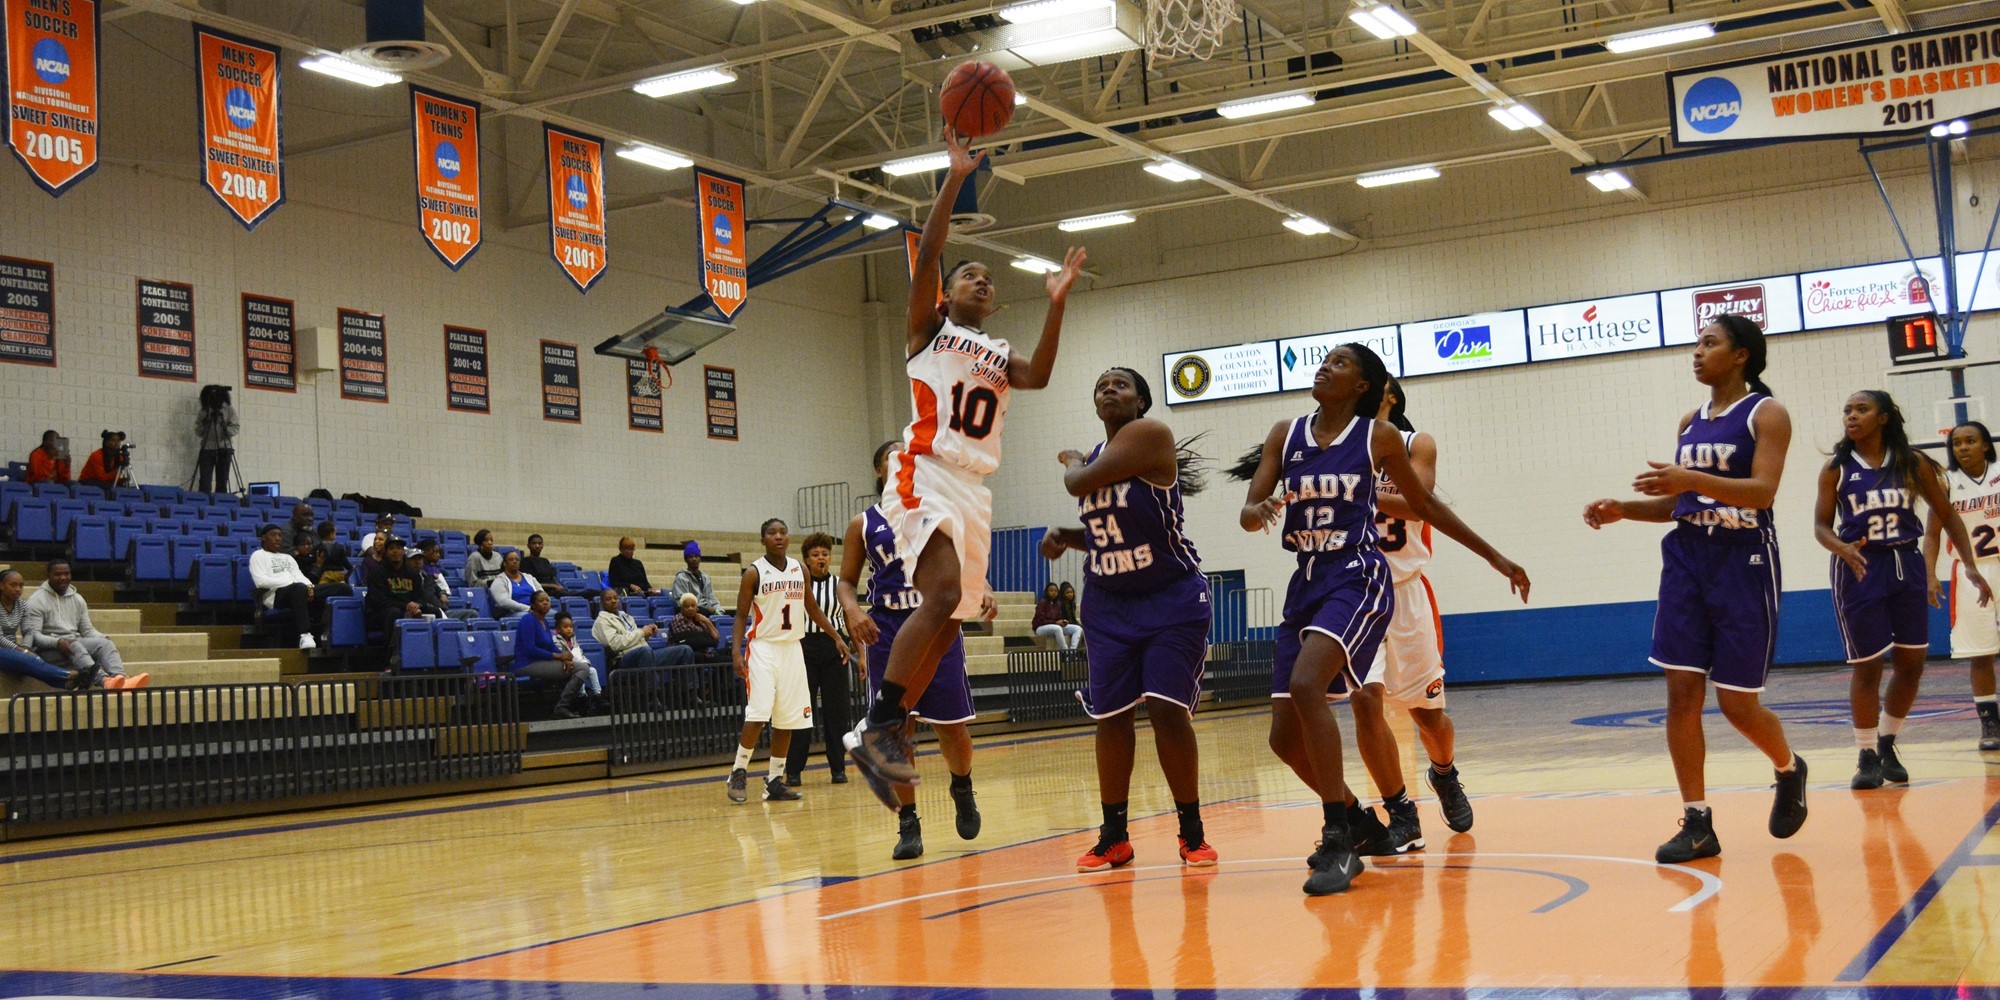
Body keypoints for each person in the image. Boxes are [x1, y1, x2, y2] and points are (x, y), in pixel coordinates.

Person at [1232, 343, 1528, 895]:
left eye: (1341, 363)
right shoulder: (1284, 433)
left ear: (1363, 386)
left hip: (1360, 575)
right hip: (1307, 581)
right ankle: (1364, 821)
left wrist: (1495, 556)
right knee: (1282, 739)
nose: (1325, 366)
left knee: (1311, 687)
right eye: (1325, 359)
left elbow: (1427, 507)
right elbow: (1251, 512)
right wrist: (1256, 511)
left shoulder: (1382, 439)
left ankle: (1340, 837)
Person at [848, 123, 1086, 796]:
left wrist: (1058, 304)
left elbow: (1037, 372)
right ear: (945, 295)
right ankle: (882, 722)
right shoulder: (929, 332)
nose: (979, 281)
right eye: (968, 276)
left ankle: (888, 728)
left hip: (976, 490)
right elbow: (928, 251)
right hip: (924, 469)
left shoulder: (1001, 353)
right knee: (946, 593)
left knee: (949, 614)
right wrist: (955, 175)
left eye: (987, 279)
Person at [1584, 314, 1811, 865]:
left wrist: (1690, 480)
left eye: (1710, 344)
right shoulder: (1691, 420)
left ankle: (1788, 766)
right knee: (1681, 694)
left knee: (1736, 704)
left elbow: (1760, 492)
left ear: (1740, 356)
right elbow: (1681, 503)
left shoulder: (1766, 412)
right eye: (1697, 344)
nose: (1697, 352)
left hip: (1744, 562)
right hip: (1688, 560)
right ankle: (1697, 821)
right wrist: (1624, 510)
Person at [1040, 366, 1217, 871]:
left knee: (1166, 710)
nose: (1109, 389)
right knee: (1111, 717)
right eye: (1101, 385)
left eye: (1120, 384)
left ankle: (1192, 833)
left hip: (1170, 598)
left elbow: (1078, 483)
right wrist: (1068, 536)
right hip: (1109, 602)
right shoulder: (1104, 459)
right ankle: (1114, 836)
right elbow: (1107, 525)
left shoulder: (1149, 435)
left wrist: (1073, 462)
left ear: (1141, 401)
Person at [1817, 390, 1988, 789]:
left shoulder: (1912, 464)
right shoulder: (1836, 469)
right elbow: (1821, 526)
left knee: (1912, 664)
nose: (1852, 416)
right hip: (1860, 567)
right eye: (1847, 410)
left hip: (1906, 564)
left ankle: (1887, 742)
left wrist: (1971, 566)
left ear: (1885, 417)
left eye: (1862, 409)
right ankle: (1865, 754)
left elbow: (1948, 517)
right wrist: (1839, 545)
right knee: (1868, 667)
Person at [1342, 378, 1475, 851]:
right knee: (1364, 701)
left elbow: (1420, 503)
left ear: (1389, 396)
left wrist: (1352, 491)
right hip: (1356, 592)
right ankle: (1400, 811)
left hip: (1406, 594)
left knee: (1427, 716)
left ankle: (1444, 774)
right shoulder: (1339, 444)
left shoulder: (1415, 444)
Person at [839, 441, 988, 858]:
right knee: (897, 729)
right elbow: (846, 582)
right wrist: (851, 610)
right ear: (879, 470)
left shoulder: (938, 511)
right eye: (895, 456)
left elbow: (964, 565)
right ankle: (908, 823)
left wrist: (984, 589)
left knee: (952, 728)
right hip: (887, 628)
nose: (907, 461)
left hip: (935, 623)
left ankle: (962, 784)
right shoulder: (863, 524)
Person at [729, 518, 847, 804]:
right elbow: (741, 616)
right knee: (758, 713)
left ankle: (774, 781)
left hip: (793, 648)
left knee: (788, 719)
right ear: (763, 540)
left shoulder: (799, 568)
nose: (778, 536)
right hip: (763, 648)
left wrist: (837, 637)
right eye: (772, 533)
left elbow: (813, 607)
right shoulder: (753, 573)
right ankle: (738, 771)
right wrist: (735, 651)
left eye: (782, 532)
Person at [1923, 420, 2000, 750]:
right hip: (1971, 573)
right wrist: (1928, 575)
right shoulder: (1946, 483)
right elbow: (1932, 533)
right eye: (1957, 443)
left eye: (1971, 441)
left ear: (1985, 445)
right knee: (1979, 652)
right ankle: (1990, 724)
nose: (1964, 447)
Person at [783, 533, 852, 786]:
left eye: (824, 554)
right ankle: (793, 771)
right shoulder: (798, 584)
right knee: (803, 711)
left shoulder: (839, 584)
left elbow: (849, 617)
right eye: (815, 555)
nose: (821, 558)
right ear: (806, 561)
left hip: (834, 648)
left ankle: (838, 768)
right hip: (804, 649)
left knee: (837, 712)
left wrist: (862, 653)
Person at [25, 559, 147, 689]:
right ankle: (104, 681)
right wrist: (58, 642)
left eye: (67, 574)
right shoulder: (36, 600)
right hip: (48, 650)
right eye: (58, 574)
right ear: (48, 575)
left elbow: (87, 630)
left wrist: (102, 636)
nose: (63, 578)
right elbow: (35, 636)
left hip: (73, 642)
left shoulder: (78, 599)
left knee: (104, 644)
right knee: (75, 645)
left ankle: (122, 680)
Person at [0, 568, 90, 690]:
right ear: (1, 586)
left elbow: (28, 631)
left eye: (21, 586)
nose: (18, 589)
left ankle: (64, 684)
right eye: (13, 585)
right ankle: (69, 675)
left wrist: (26, 648)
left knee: (33, 659)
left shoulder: (22, 604)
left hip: (13, 647)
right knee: (30, 659)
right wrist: (23, 652)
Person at [514, 593, 588, 719]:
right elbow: (529, 649)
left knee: (581, 666)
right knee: (582, 668)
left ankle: (565, 705)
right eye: (541, 601)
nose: (545, 603)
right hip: (527, 663)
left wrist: (564, 657)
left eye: (547, 600)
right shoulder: (528, 620)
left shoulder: (544, 622)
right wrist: (558, 657)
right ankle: (562, 707)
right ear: (533, 604)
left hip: (543, 661)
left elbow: (549, 645)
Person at [594, 589, 696, 676]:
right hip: (623, 660)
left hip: (645, 655)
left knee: (685, 650)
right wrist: (642, 632)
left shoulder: (626, 616)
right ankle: (652, 696)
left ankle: (690, 693)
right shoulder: (602, 620)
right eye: (608, 599)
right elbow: (614, 644)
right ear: (602, 603)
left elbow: (634, 638)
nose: (613, 601)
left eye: (616, 598)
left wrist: (647, 635)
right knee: (645, 651)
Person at [250, 524, 318, 650]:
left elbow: (299, 576)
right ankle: (305, 634)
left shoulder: (287, 557)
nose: (278, 538)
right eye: (273, 535)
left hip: (298, 589)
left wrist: (310, 587)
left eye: (280, 535)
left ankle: (328, 633)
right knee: (298, 587)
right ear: (264, 538)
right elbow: (261, 581)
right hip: (275, 596)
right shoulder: (258, 555)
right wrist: (289, 582)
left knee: (340, 588)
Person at [363, 537, 425, 644]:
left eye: (399, 548)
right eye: (391, 548)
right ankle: (392, 654)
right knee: (394, 612)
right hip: (378, 615)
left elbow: (421, 597)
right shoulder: (377, 572)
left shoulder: (413, 574)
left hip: (406, 610)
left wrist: (417, 605)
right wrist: (406, 606)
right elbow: (379, 601)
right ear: (386, 552)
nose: (395, 551)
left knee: (435, 611)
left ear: (403, 552)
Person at [551, 610, 603, 712]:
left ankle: (598, 695)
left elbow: (580, 653)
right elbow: (560, 654)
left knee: (592, 670)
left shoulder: (573, 639)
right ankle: (582, 696)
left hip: (577, 664)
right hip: (564, 666)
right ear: (558, 629)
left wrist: (586, 662)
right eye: (565, 627)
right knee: (580, 671)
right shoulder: (555, 640)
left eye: (571, 627)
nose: (569, 629)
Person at [413, 540, 475, 621]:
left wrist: (442, 593)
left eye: (419, 559)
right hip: (432, 612)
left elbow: (437, 588)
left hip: (441, 609)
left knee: (472, 613)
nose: (417, 562)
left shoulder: (426, 575)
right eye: (415, 559)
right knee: (472, 614)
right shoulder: (412, 578)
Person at [195, 384, 238, 494]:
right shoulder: (204, 412)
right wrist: (204, 424)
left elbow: (235, 428)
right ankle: (204, 504)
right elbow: (199, 432)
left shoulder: (229, 410)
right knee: (204, 482)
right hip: (207, 449)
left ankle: (220, 505)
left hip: (224, 448)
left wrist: (225, 428)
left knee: (222, 481)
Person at [488, 550, 545, 618]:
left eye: (517, 560)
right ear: (504, 563)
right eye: (511, 559)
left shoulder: (529, 578)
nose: (514, 561)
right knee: (528, 617)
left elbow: (542, 594)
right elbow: (503, 602)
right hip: (513, 612)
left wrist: (540, 607)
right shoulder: (499, 581)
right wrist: (528, 608)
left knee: (554, 614)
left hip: (535, 609)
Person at [669, 591, 724, 661]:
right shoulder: (678, 619)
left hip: (702, 653)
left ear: (697, 608)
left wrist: (707, 621)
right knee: (699, 656)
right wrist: (707, 639)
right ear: (682, 609)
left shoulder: (700, 619)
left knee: (727, 654)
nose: (690, 608)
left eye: (693, 606)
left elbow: (716, 640)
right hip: (683, 655)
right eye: (687, 606)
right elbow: (688, 642)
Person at [672, 542, 722, 615]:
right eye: (691, 557)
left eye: (696, 556)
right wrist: (707, 610)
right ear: (686, 560)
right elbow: (682, 602)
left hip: (707, 611)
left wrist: (719, 610)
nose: (694, 559)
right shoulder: (681, 578)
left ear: (700, 558)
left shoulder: (706, 577)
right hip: (691, 613)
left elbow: (711, 598)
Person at [1032, 582, 1082, 650]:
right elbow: (1041, 621)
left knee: (1077, 629)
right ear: (1047, 591)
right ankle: (1066, 652)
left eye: (1055, 591)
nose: (1054, 592)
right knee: (1057, 628)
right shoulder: (1042, 603)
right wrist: (1056, 622)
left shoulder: (1057, 604)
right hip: (1040, 628)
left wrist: (1063, 622)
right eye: (1051, 590)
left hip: (1054, 626)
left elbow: (1058, 619)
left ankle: (1072, 651)